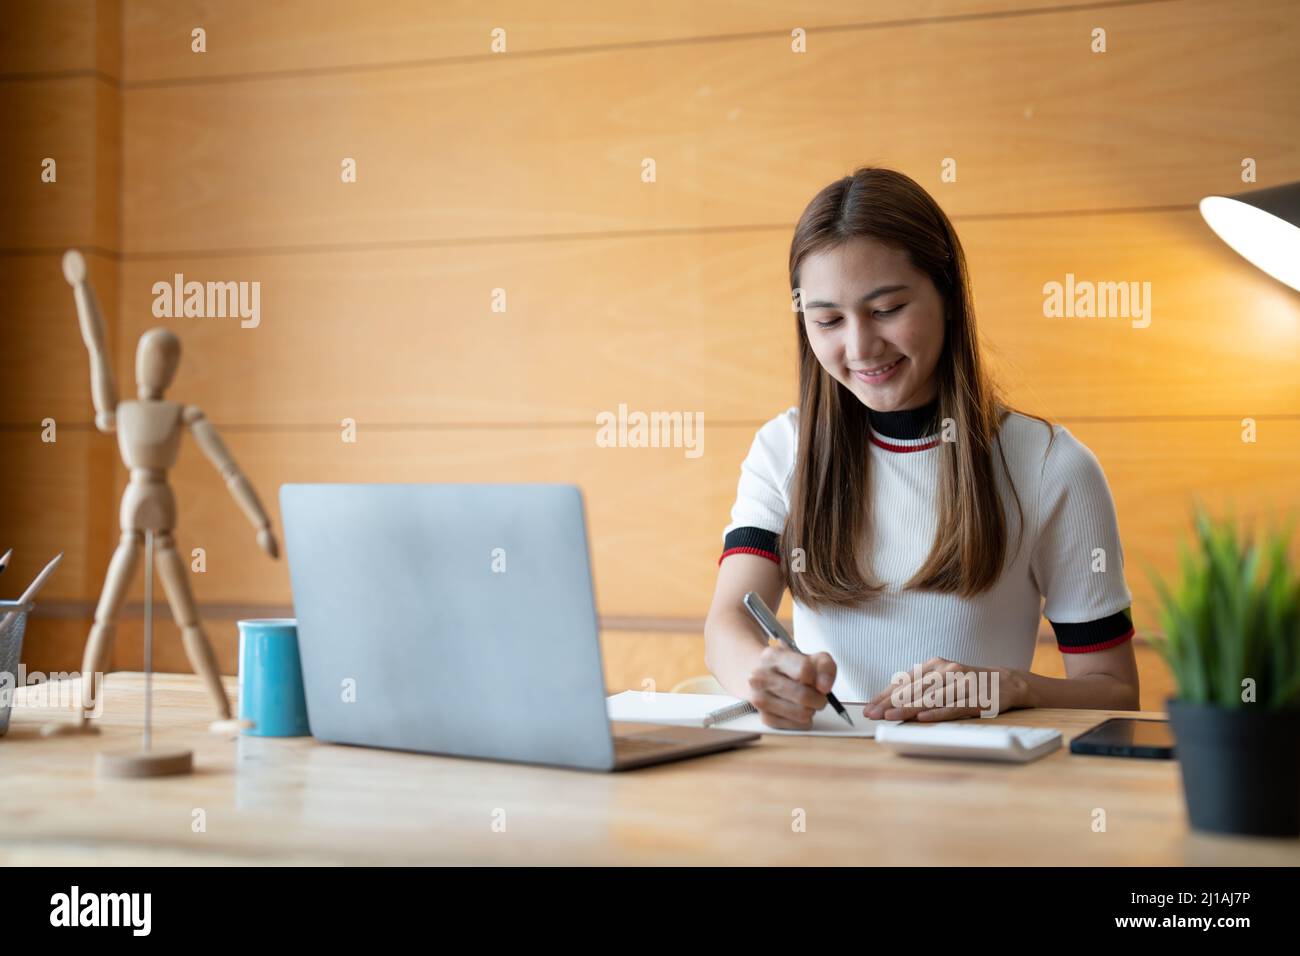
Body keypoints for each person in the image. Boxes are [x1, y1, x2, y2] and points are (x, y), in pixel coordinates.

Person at [704, 167, 1139, 730]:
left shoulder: (1052, 466)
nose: (860, 347)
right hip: (828, 784)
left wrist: (1010, 686)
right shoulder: (782, 449)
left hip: (978, 792)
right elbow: (725, 629)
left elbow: (1115, 692)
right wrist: (761, 675)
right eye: (829, 319)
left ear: (950, 297)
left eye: (887, 310)